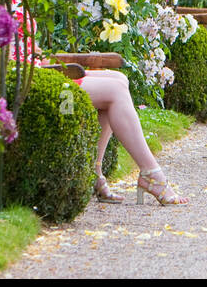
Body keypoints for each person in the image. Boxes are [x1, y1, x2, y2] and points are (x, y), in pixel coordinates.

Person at [78, 68, 188, 206]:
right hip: (52, 77)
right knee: (115, 90)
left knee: (120, 78)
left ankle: (95, 171)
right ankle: (151, 172)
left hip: (49, 65)